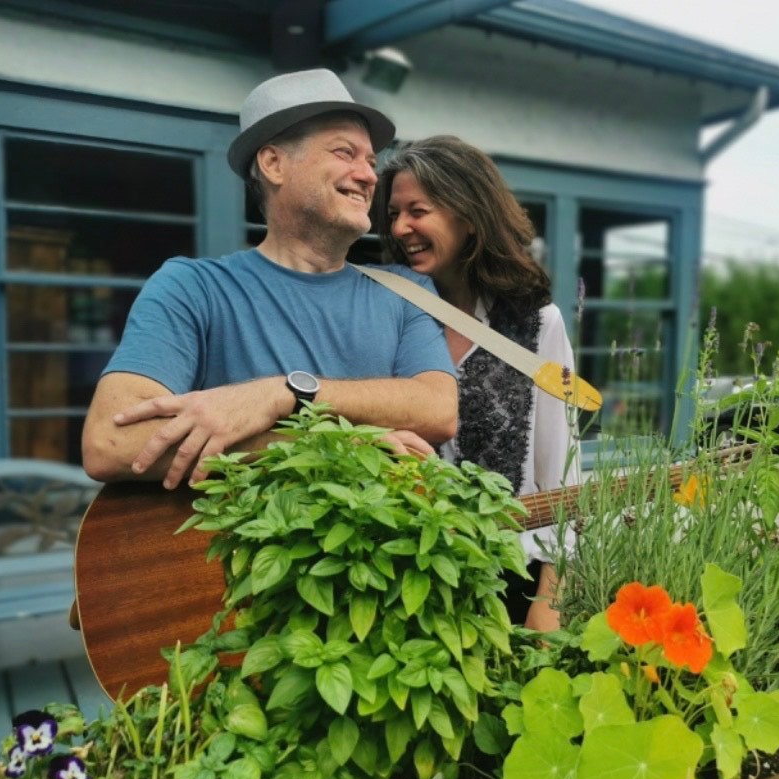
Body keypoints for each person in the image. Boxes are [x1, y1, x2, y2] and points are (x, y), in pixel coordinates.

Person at [81, 69, 457, 489]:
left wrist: (281, 394)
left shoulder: (405, 291)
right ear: (274, 164)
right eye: (344, 152)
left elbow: (438, 409)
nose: (370, 175)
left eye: (371, 161)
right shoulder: (192, 288)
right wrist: (334, 443)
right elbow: (110, 444)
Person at [374, 135, 582, 632]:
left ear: (469, 216)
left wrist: (549, 601)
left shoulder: (536, 324)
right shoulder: (384, 315)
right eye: (394, 214)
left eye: (417, 211)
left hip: (511, 578)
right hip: (405, 582)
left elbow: (562, 473)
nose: (401, 228)